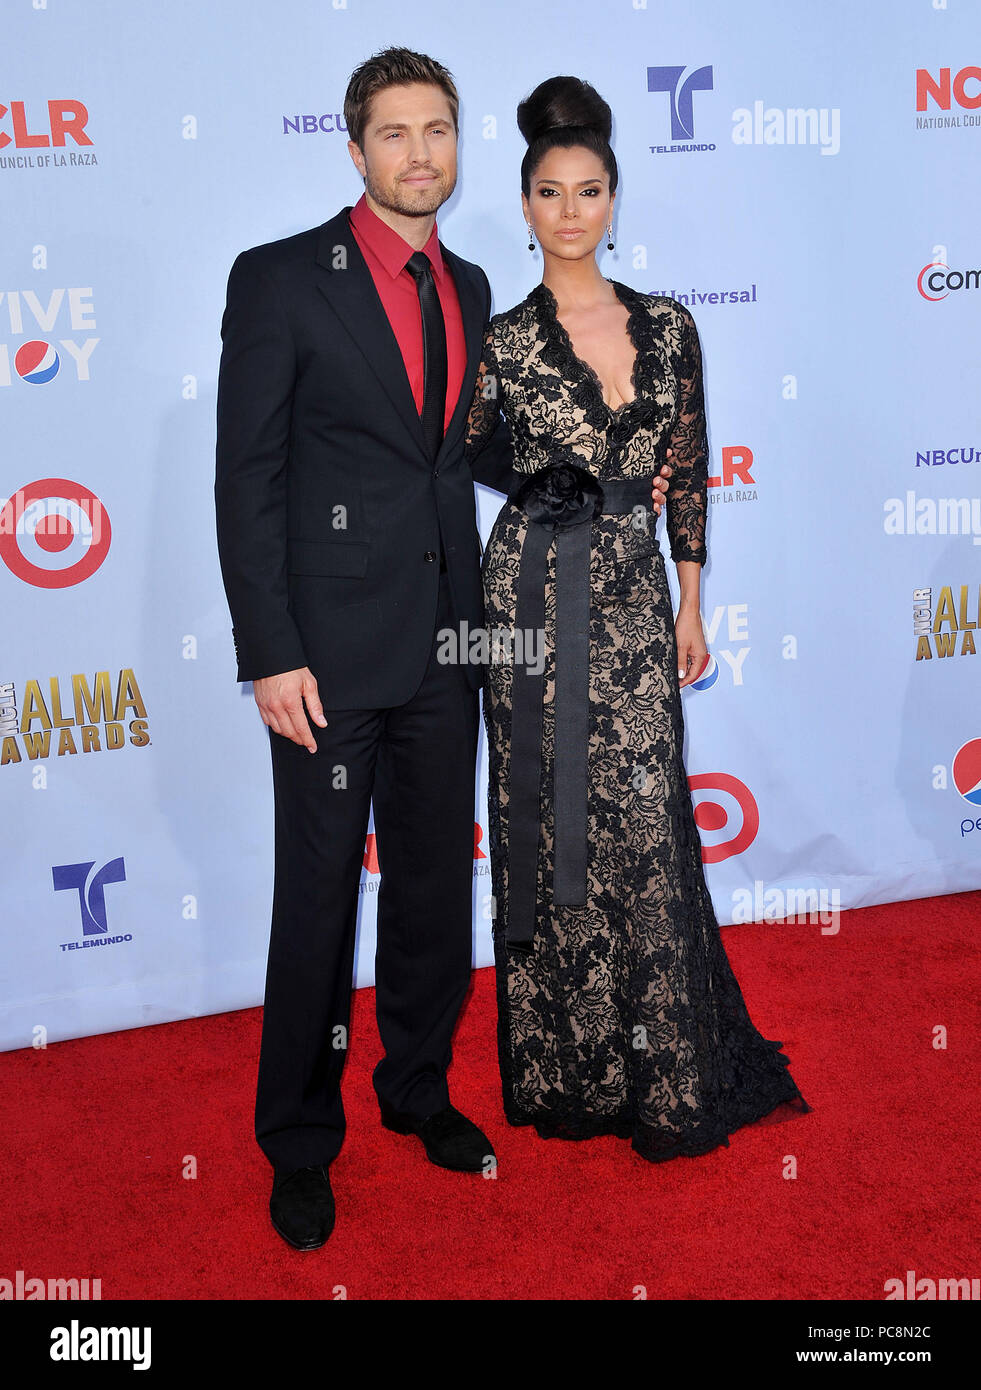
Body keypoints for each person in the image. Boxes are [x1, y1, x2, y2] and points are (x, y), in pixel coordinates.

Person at [215, 48, 675, 1249]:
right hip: (319, 660)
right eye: (396, 134)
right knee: (316, 905)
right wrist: (269, 649)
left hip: (451, 646)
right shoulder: (278, 282)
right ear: (354, 146)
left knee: (430, 887)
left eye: (439, 132)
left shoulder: (471, 286)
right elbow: (248, 477)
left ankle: (418, 1090)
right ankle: (300, 1139)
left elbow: (468, 448)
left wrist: (599, 470)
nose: (421, 155)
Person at [465, 76, 810, 1164]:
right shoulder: (505, 342)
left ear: (616, 199)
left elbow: (690, 468)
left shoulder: (670, 327)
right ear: (524, 207)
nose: (572, 211)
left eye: (591, 190)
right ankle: (578, 1071)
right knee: (555, 825)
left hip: (633, 594)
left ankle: (664, 1063)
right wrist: (541, 484)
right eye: (551, 193)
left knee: (647, 820)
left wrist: (694, 595)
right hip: (531, 594)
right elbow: (468, 451)